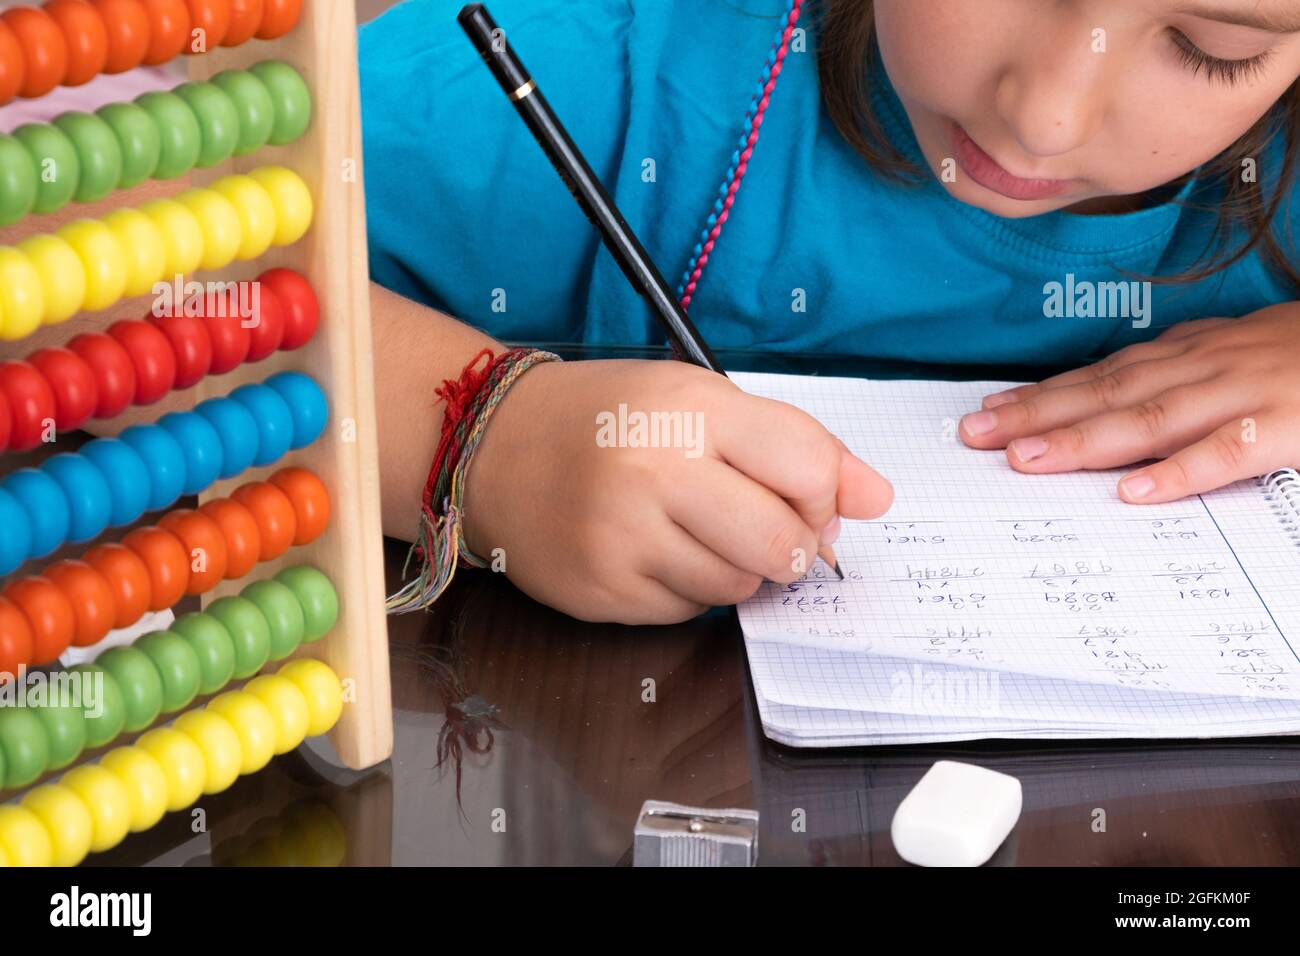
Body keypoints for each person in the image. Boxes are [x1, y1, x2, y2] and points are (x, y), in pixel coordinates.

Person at [357, 0, 1300, 623]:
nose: (1045, 116)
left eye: (1212, 49)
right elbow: (215, 288)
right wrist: (484, 439)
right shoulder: (601, 72)